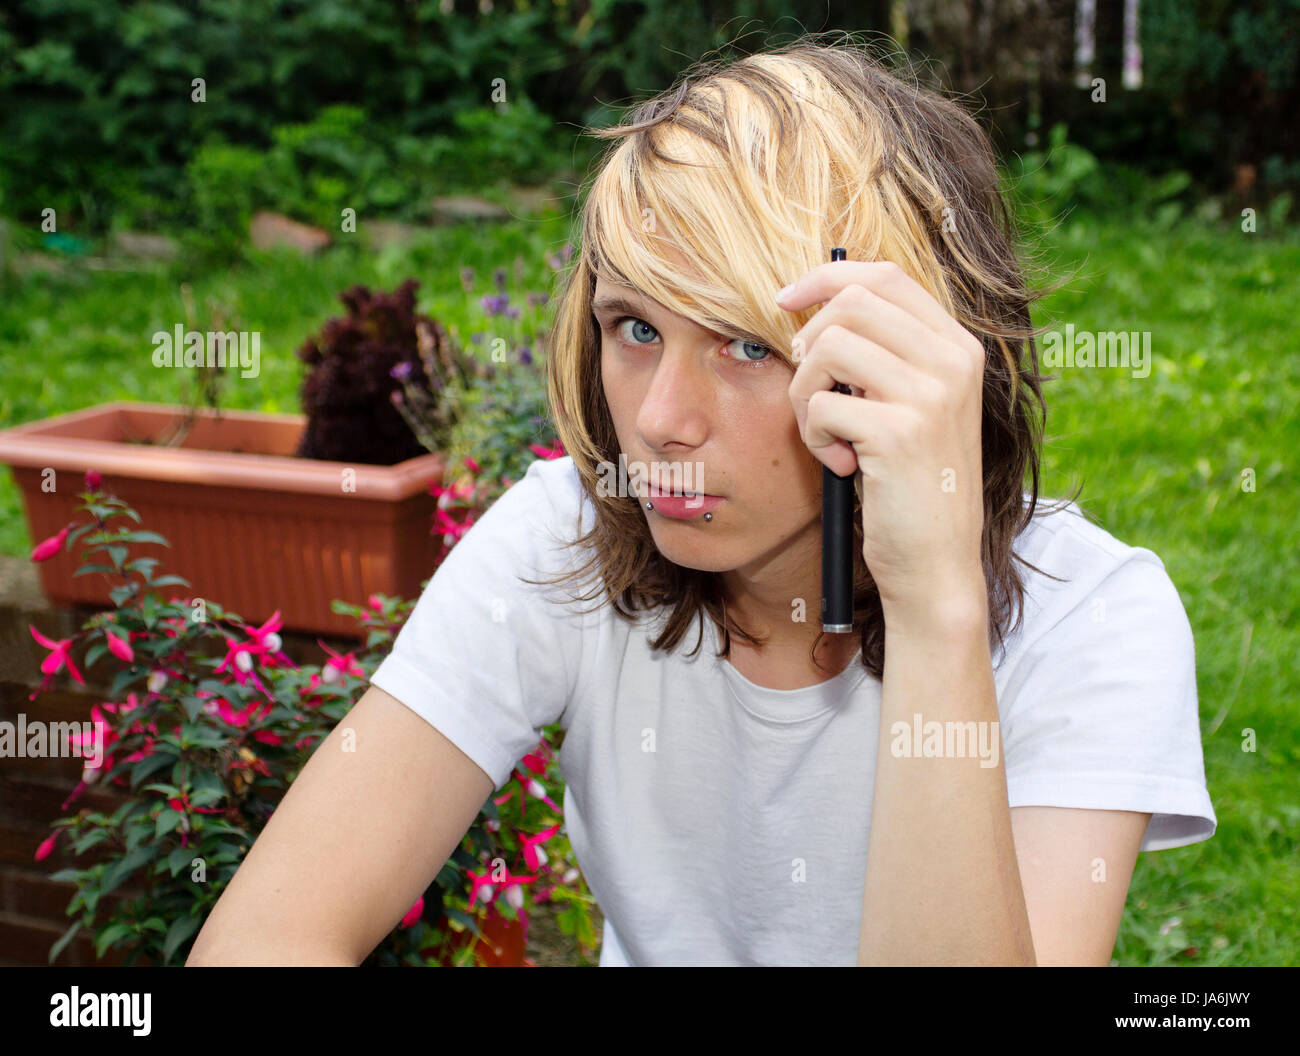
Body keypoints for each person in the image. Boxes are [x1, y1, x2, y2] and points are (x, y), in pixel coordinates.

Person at [187, 33, 1215, 967]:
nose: (660, 421)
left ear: (913, 369)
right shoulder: (563, 535)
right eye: (634, 328)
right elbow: (265, 940)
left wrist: (937, 606)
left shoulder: (1092, 621)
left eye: (747, 344)